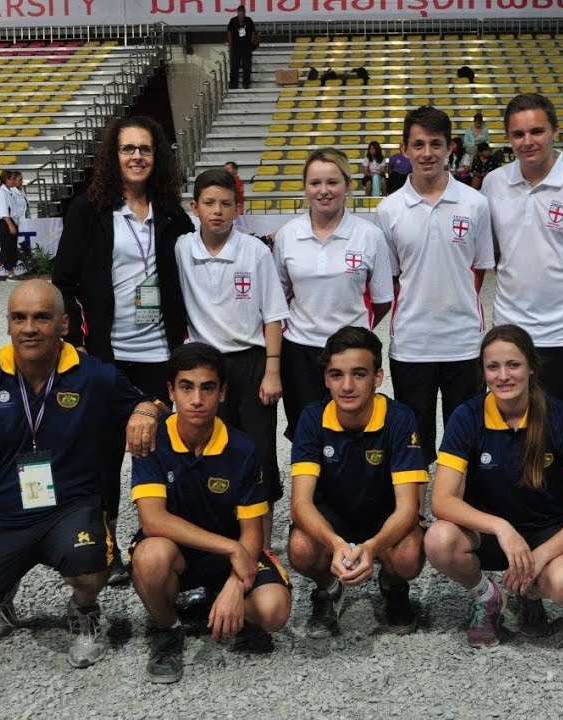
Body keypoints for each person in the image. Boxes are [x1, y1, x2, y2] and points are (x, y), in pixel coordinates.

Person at [0, 279, 161, 669]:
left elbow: (150, 401)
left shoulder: (93, 376)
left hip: (70, 508)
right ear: (8, 324)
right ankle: (1, 595)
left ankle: (83, 611)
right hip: (1, 515)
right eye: (19, 317)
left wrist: (145, 411)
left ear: (63, 325)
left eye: (42, 317)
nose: (29, 327)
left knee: (92, 566)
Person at [52, 115, 194, 584]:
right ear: (113, 156)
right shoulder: (88, 211)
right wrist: (79, 347)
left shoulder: (171, 213)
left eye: (146, 149)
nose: (137, 157)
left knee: (160, 450)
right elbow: (64, 280)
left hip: (160, 353)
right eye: (128, 149)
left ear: (158, 157)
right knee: (105, 452)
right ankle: (106, 544)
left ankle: (159, 542)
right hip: (108, 356)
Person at [424, 325, 563, 647]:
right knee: (438, 539)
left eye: (513, 365)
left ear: (531, 367)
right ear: (483, 372)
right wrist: (502, 528)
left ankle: (529, 593)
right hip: (490, 534)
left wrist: (540, 557)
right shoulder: (467, 416)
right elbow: (441, 501)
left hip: (545, 532)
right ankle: (486, 596)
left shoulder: (562, 418)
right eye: (493, 367)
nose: (503, 376)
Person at [130, 342, 292, 682]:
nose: (196, 399)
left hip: (229, 556)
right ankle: (169, 628)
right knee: (150, 556)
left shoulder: (244, 448)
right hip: (180, 553)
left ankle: (214, 608)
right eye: (186, 387)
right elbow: (152, 519)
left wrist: (235, 583)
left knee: (275, 610)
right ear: (171, 390)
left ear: (222, 393)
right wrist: (230, 548)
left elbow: (252, 535)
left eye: (207, 388)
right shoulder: (152, 439)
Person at [480, 93, 563, 418]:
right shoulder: (493, 184)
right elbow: (495, 252)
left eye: (536, 131)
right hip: (509, 331)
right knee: (508, 426)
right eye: (518, 134)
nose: (527, 141)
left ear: (555, 130)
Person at [288, 326, 427, 637]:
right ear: (326, 379)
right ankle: (329, 588)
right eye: (336, 375)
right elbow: (300, 504)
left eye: (359, 374)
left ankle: (393, 586)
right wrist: (336, 543)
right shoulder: (311, 418)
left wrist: (373, 547)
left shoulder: (400, 419)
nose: (347, 386)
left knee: (409, 555)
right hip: (333, 521)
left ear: (378, 377)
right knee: (300, 547)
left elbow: (409, 506)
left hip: (382, 519)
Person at [376, 105, 493, 470]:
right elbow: (393, 277)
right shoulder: (389, 209)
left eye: (436, 144)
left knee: (465, 440)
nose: (427, 153)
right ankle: (415, 515)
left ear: (449, 149)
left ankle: (459, 513)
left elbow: (478, 269)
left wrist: (452, 300)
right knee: (415, 442)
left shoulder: (475, 204)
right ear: (404, 149)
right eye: (419, 144)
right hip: (412, 343)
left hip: (463, 341)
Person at [177, 167, 289, 550]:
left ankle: (263, 549)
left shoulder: (255, 251)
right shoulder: (182, 249)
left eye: (226, 204)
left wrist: (272, 371)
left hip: (253, 363)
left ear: (238, 208)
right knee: (210, 452)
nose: (218, 211)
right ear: (195, 208)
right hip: (206, 367)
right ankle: (220, 541)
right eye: (209, 203)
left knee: (259, 455)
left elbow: (274, 314)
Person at [273, 148, 393, 447]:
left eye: (332, 182)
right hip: (300, 352)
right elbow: (278, 297)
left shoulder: (368, 235)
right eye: (315, 183)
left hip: (351, 352)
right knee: (306, 428)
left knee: (353, 427)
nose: (324, 191)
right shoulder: (287, 235)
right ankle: (308, 492)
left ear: (347, 185)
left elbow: (382, 300)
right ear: (305, 188)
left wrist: (353, 333)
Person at [0, 170, 21, 281]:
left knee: (8, 247)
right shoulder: (1, 193)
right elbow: (4, 212)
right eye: (12, 179)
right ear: (7, 180)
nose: (13, 181)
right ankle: (10, 273)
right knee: (8, 248)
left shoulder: (7, 191)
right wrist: (10, 225)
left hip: (8, 221)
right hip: (4, 222)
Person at [226, 5, 258, 90]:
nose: (241, 14)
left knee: (247, 65)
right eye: (239, 13)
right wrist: (230, 43)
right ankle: (233, 84)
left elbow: (253, 32)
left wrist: (251, 42)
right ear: (237, 13)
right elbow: (229, 31)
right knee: (234, 65)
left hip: (246, 46)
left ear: (245, 12)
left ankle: (246, 83)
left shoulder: (249, 20)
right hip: (236, 46)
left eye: (242, 13)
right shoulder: (233, 21)